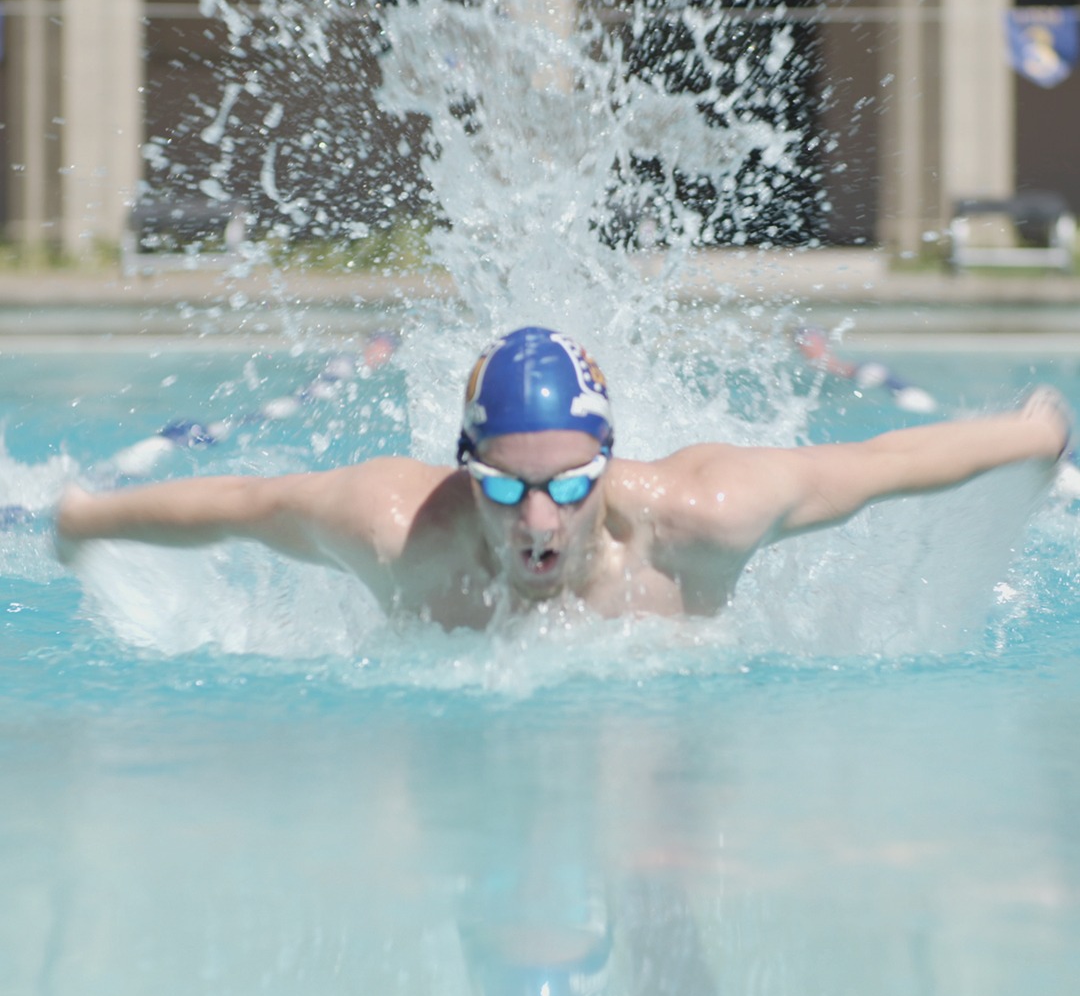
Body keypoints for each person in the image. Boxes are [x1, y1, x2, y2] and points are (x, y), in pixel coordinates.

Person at [55, 326, 1071, 630]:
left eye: (569, 485)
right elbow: (241, 504)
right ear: (467, 472)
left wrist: (1025, 437)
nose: (537, 521)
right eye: (504, 488)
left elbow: (875, 465)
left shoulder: (703, 514)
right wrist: (90, 518)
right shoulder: (396, 525)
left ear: (611, 464)